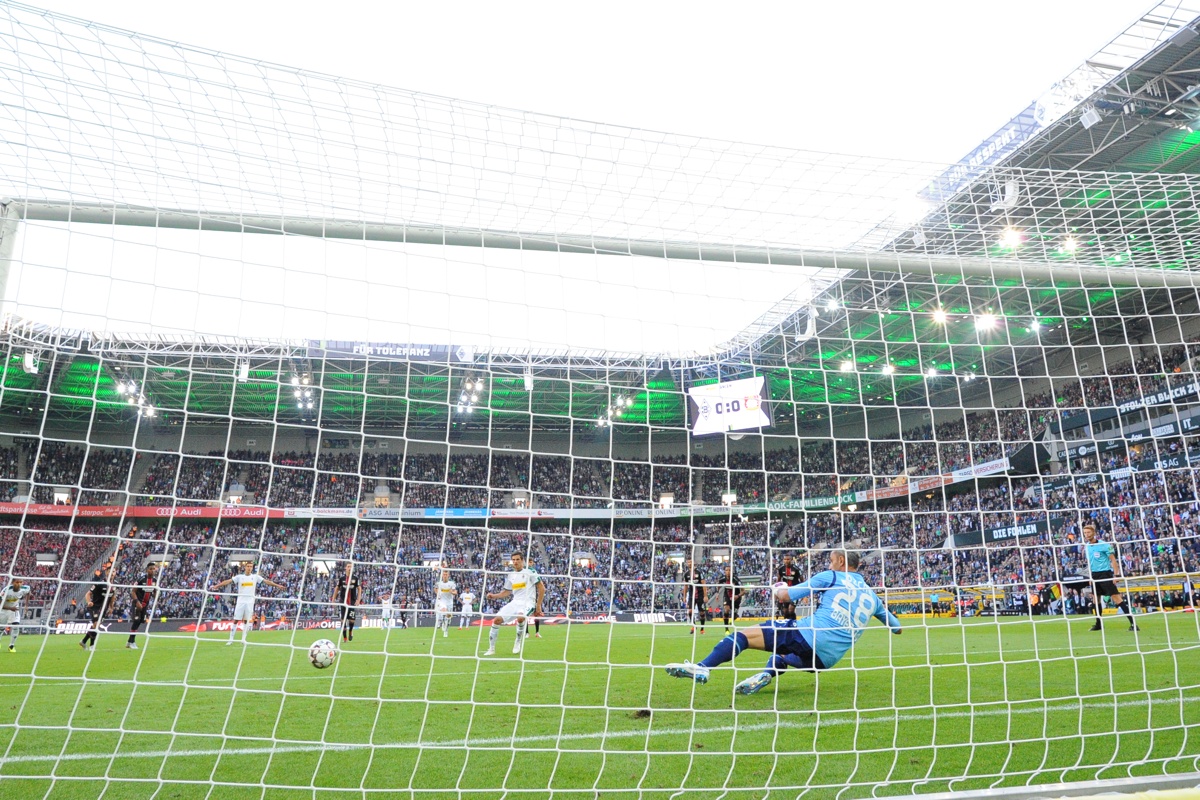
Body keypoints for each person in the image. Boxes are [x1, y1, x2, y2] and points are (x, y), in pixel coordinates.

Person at [664, 549, 901, 695]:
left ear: (840, 561)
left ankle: (703, 667)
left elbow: (787, 596)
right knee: (781, 656)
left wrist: (778, 588)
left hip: (808, 635)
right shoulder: (872, 596)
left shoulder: (832, 576)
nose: (829, 565)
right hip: (826, 660)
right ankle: (766, 674)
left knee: (743, 635)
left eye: (830, 561)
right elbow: (896, 628)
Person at [210, 561, 286, 645]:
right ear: (245, 567)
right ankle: (231, 639)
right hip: (240, 601)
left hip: (250, 601)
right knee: (236, 620)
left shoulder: (255, 577)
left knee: (246, 621)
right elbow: (228, 581)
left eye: (251, 566)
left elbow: (267, 581)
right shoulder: (239, 577)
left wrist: (278, 585)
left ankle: (243, 639)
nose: (249, 568)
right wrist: (217, 586)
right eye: (248, 566)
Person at [483, 553, 544, 656]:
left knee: (520, 618)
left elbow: (541, 588)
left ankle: (518, 641)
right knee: (496, 620)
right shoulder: (511, 575)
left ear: (522, 560)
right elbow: (506, 592)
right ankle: (491, 649)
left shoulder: (530, 572)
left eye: (517, 559)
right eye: (513, 560)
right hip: (515, 602)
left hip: (527, 602)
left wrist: (538, 605)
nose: (515, 562)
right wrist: (494, 596)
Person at [1083, 524, 1137, 632]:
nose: (1086, 535)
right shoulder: (1087, 546)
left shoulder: (1104, 545)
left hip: (1105, 574)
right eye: (1085, 533)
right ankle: (1098, 624)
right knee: (1096, 599)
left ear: (1094, 533)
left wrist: (1116, 575)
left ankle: (1133, 624)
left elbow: (1113, 560)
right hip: (1094, 575)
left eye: (1088, 532)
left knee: (1117, 598)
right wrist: (1090, 577)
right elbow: (1090, 563)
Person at [126, 563, 158, 650]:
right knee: (136, 621)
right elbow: (133, 592)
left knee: (140, 621)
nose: (152, 570)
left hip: (145, 605)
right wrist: (137, 602)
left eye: (154, 569)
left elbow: (155, 591)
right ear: (147, 570)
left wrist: (156, 598)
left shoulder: (155, 581)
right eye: (151, 569)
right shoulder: (141, 579)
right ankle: (132, 642)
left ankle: (129, 641)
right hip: (138, 603)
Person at [81, 568, 112, 651]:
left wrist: (111, 607)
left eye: (114, 571)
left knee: (95, 626)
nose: (112, 573)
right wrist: (88, 602)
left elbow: (113, 597)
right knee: (96, 625)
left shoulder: (114, 585)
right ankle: (92, 646)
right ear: (106, 573)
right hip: (95, 607)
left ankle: (84, 641)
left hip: (104, 609)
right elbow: (88, 593)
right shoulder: (100, 583)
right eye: (110, 571)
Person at [0, 578, 31, 652]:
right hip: (3, 609)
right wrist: (10, 608)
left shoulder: (25, 588)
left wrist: (26, 605)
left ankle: (11, 646)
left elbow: (28, 593)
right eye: (17, 582)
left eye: (21, 582)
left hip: (14, 609)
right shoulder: (5, 591)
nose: (19, 584)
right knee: (1, 629)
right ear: (13, 583)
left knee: (16, 625)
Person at [334, 563, 361, 643]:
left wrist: (358, 599)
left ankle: (351, 631)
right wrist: (333, 599)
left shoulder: (355, 578)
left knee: (352, 620)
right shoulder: (342, 578)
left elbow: (359, 588)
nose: (350, 568)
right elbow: (337, 588)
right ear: (346, 568)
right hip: (343, 602)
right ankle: (345, 638)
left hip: (352, 602)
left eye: (351, 567)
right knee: (343, 620)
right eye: (348, 566)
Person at [775, 553, 802, 622]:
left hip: (794, 592)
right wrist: (776, 592)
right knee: (785, 611)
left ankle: (794, 624)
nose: (786, 561)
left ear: (791, 560)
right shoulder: (781, 569)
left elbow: (802, 581)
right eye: (785, 559)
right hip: (785, 592)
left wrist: (803, 594)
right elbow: (778, 581)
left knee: (791, 610)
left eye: (788, 559)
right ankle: (787, 626)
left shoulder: (796, 569)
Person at [685, 559, 707, 635]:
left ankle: (702, 628)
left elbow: (704, 584)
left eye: (690, 561)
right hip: (692, 595)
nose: (689, 563)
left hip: (700, 595)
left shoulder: (699, 572)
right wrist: (684, 597)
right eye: (688, 562)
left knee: (702, 613)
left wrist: (705, 595)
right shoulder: (686, 574)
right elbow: (685, 586)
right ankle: (694, 626)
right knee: (690, 611)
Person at [721, 564, 744, 634]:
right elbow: (718, 585)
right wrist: (717, 593)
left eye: (729, 570)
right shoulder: (722, 578)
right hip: (727, 596)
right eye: (726, 570)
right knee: (726, 610)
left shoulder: (736, 580)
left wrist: (737, 596)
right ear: (724, 571)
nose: (728, 572)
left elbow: (743, 591)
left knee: (734, 615)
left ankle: (733, 618)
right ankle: (726, 629)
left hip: (736, 597)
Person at [434, 569, 457, 638]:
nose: (445, 576)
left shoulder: (452, 584)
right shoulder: (439, 583)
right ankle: (439, 621)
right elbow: (435, 589)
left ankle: (446, 630)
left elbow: (455, 592)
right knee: (442, 610)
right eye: (444, 574)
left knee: (449, 619)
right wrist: (438, 593)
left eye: (446, 575)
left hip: (449, 602)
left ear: (448, 575)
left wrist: (451, 592)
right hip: (442, 601)